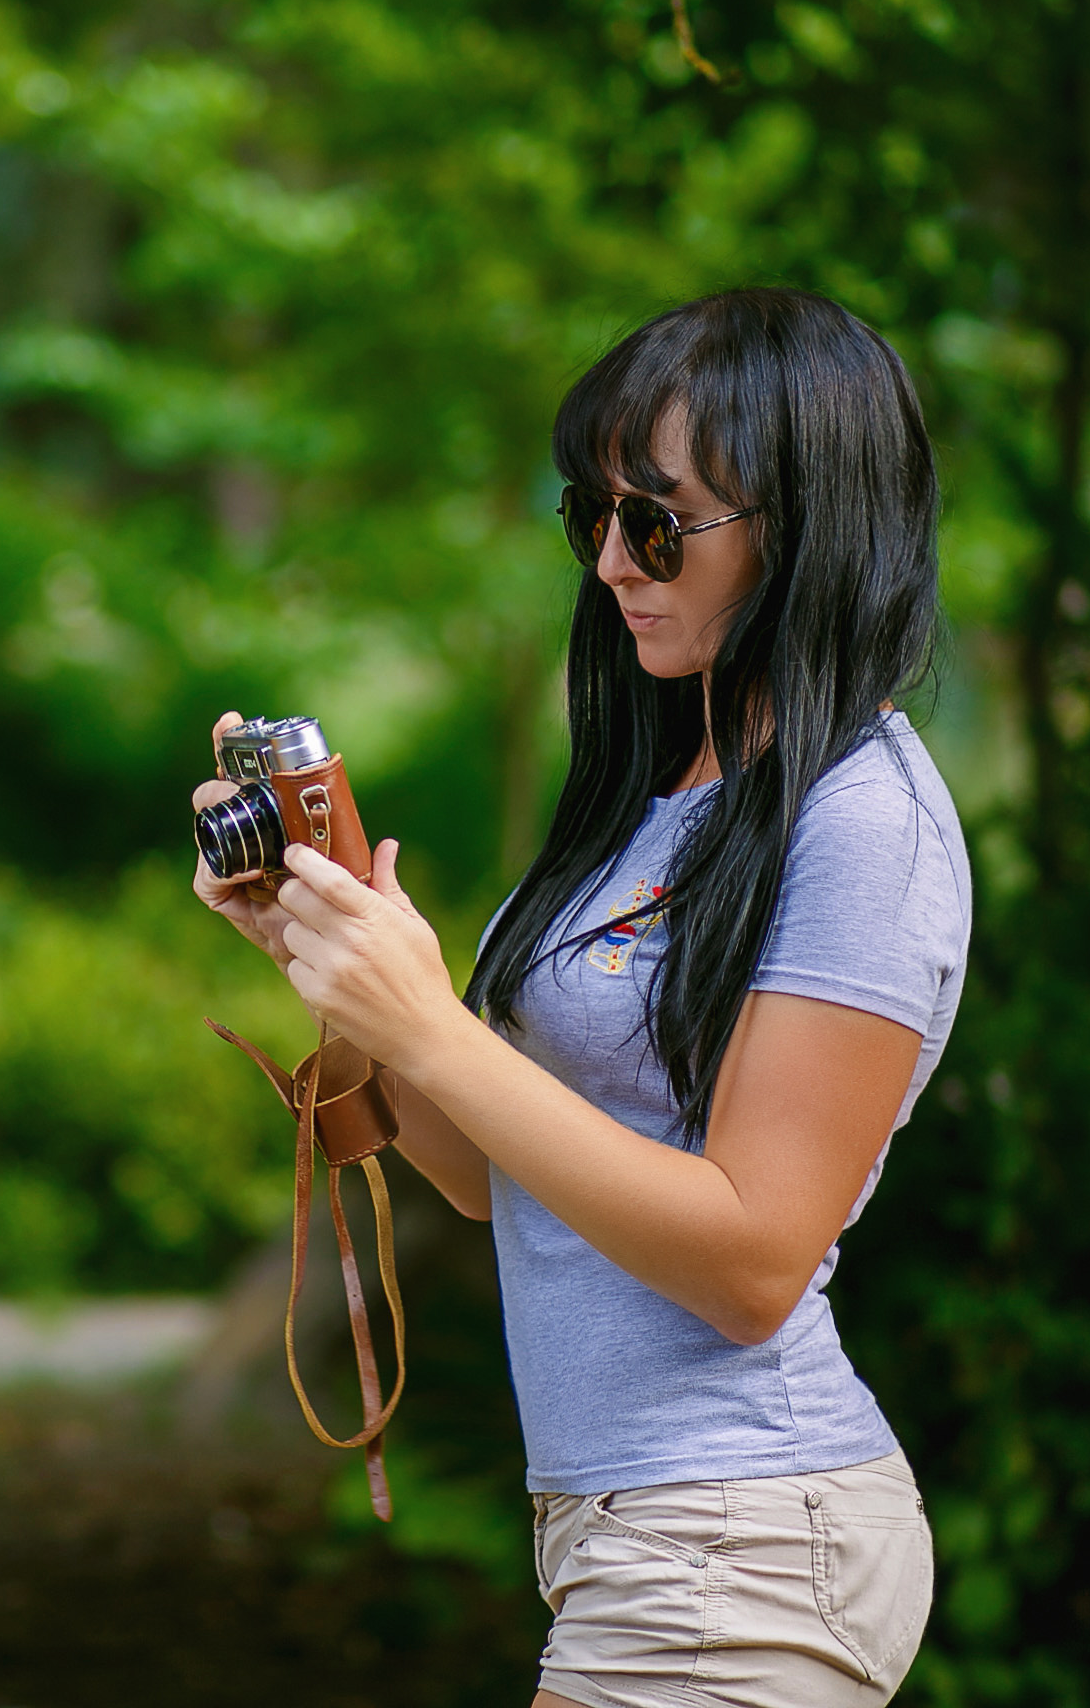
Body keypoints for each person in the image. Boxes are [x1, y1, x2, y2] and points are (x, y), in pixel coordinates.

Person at [192, 288, 968, 1707]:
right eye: (591, 516)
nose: (611, 562)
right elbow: (503, 1184)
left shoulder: (866, 824)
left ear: (806, 526)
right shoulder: (669, 794)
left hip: (736, 1541)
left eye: (657, 524)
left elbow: (751, 1261)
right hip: (637, 1534)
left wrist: (432, 1023)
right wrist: (337, 968)